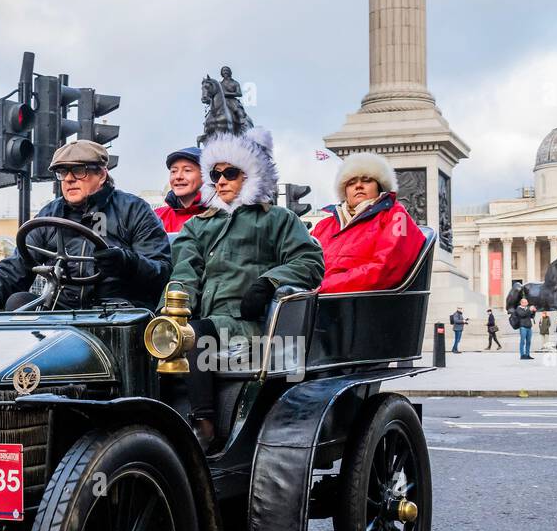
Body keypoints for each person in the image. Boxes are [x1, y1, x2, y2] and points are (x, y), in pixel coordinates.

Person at [169, 128, 324, 446]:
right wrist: (172, 314)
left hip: (251, 324)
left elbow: (309, 262)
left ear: (250, 175)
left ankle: (204, 426)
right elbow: (183, 272)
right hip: (204, 320)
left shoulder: (278, 219)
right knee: (152, 335)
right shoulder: (198, 225)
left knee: (196, 335)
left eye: (230, 172)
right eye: (216, 174)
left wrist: (269, 282)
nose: (221, 180)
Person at [0, 141, 171, 312]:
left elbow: (161, 272)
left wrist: (128, 263)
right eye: (62, 172)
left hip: (117, 311)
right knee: (18, 302)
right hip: (61, 311)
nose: (69, 179)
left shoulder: (134, 210)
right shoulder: (50, 214)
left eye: (78, 170)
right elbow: (13, 271)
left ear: (102, 175)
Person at [311, 151, 421, 294]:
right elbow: (302, 260)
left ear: (379, 186)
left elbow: (385, 268)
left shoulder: (395, 216)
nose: (358, 186)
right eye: (351, 182)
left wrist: (322, 287)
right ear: (345, 191)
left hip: (355, 305)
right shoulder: (324, 225)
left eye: (367, 180)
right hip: (313, 300)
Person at [154, 147, 206, 231]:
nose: (178, 177)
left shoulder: (222, 215)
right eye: (174, 171)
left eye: (187, 170)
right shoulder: (156, 217)